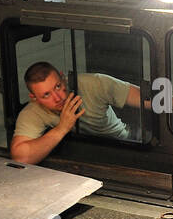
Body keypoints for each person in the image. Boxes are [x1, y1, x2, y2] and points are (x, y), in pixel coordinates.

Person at [10, 62, 142, 164]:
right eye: (46, 95)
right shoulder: (33, 111)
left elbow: (152, 99)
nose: (57, 98)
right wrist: (62, 128)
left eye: (58, 86)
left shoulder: (94, 84)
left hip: (123, 144)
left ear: (63, 78)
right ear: (34, 98)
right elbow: (20, 157)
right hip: (85, 156)